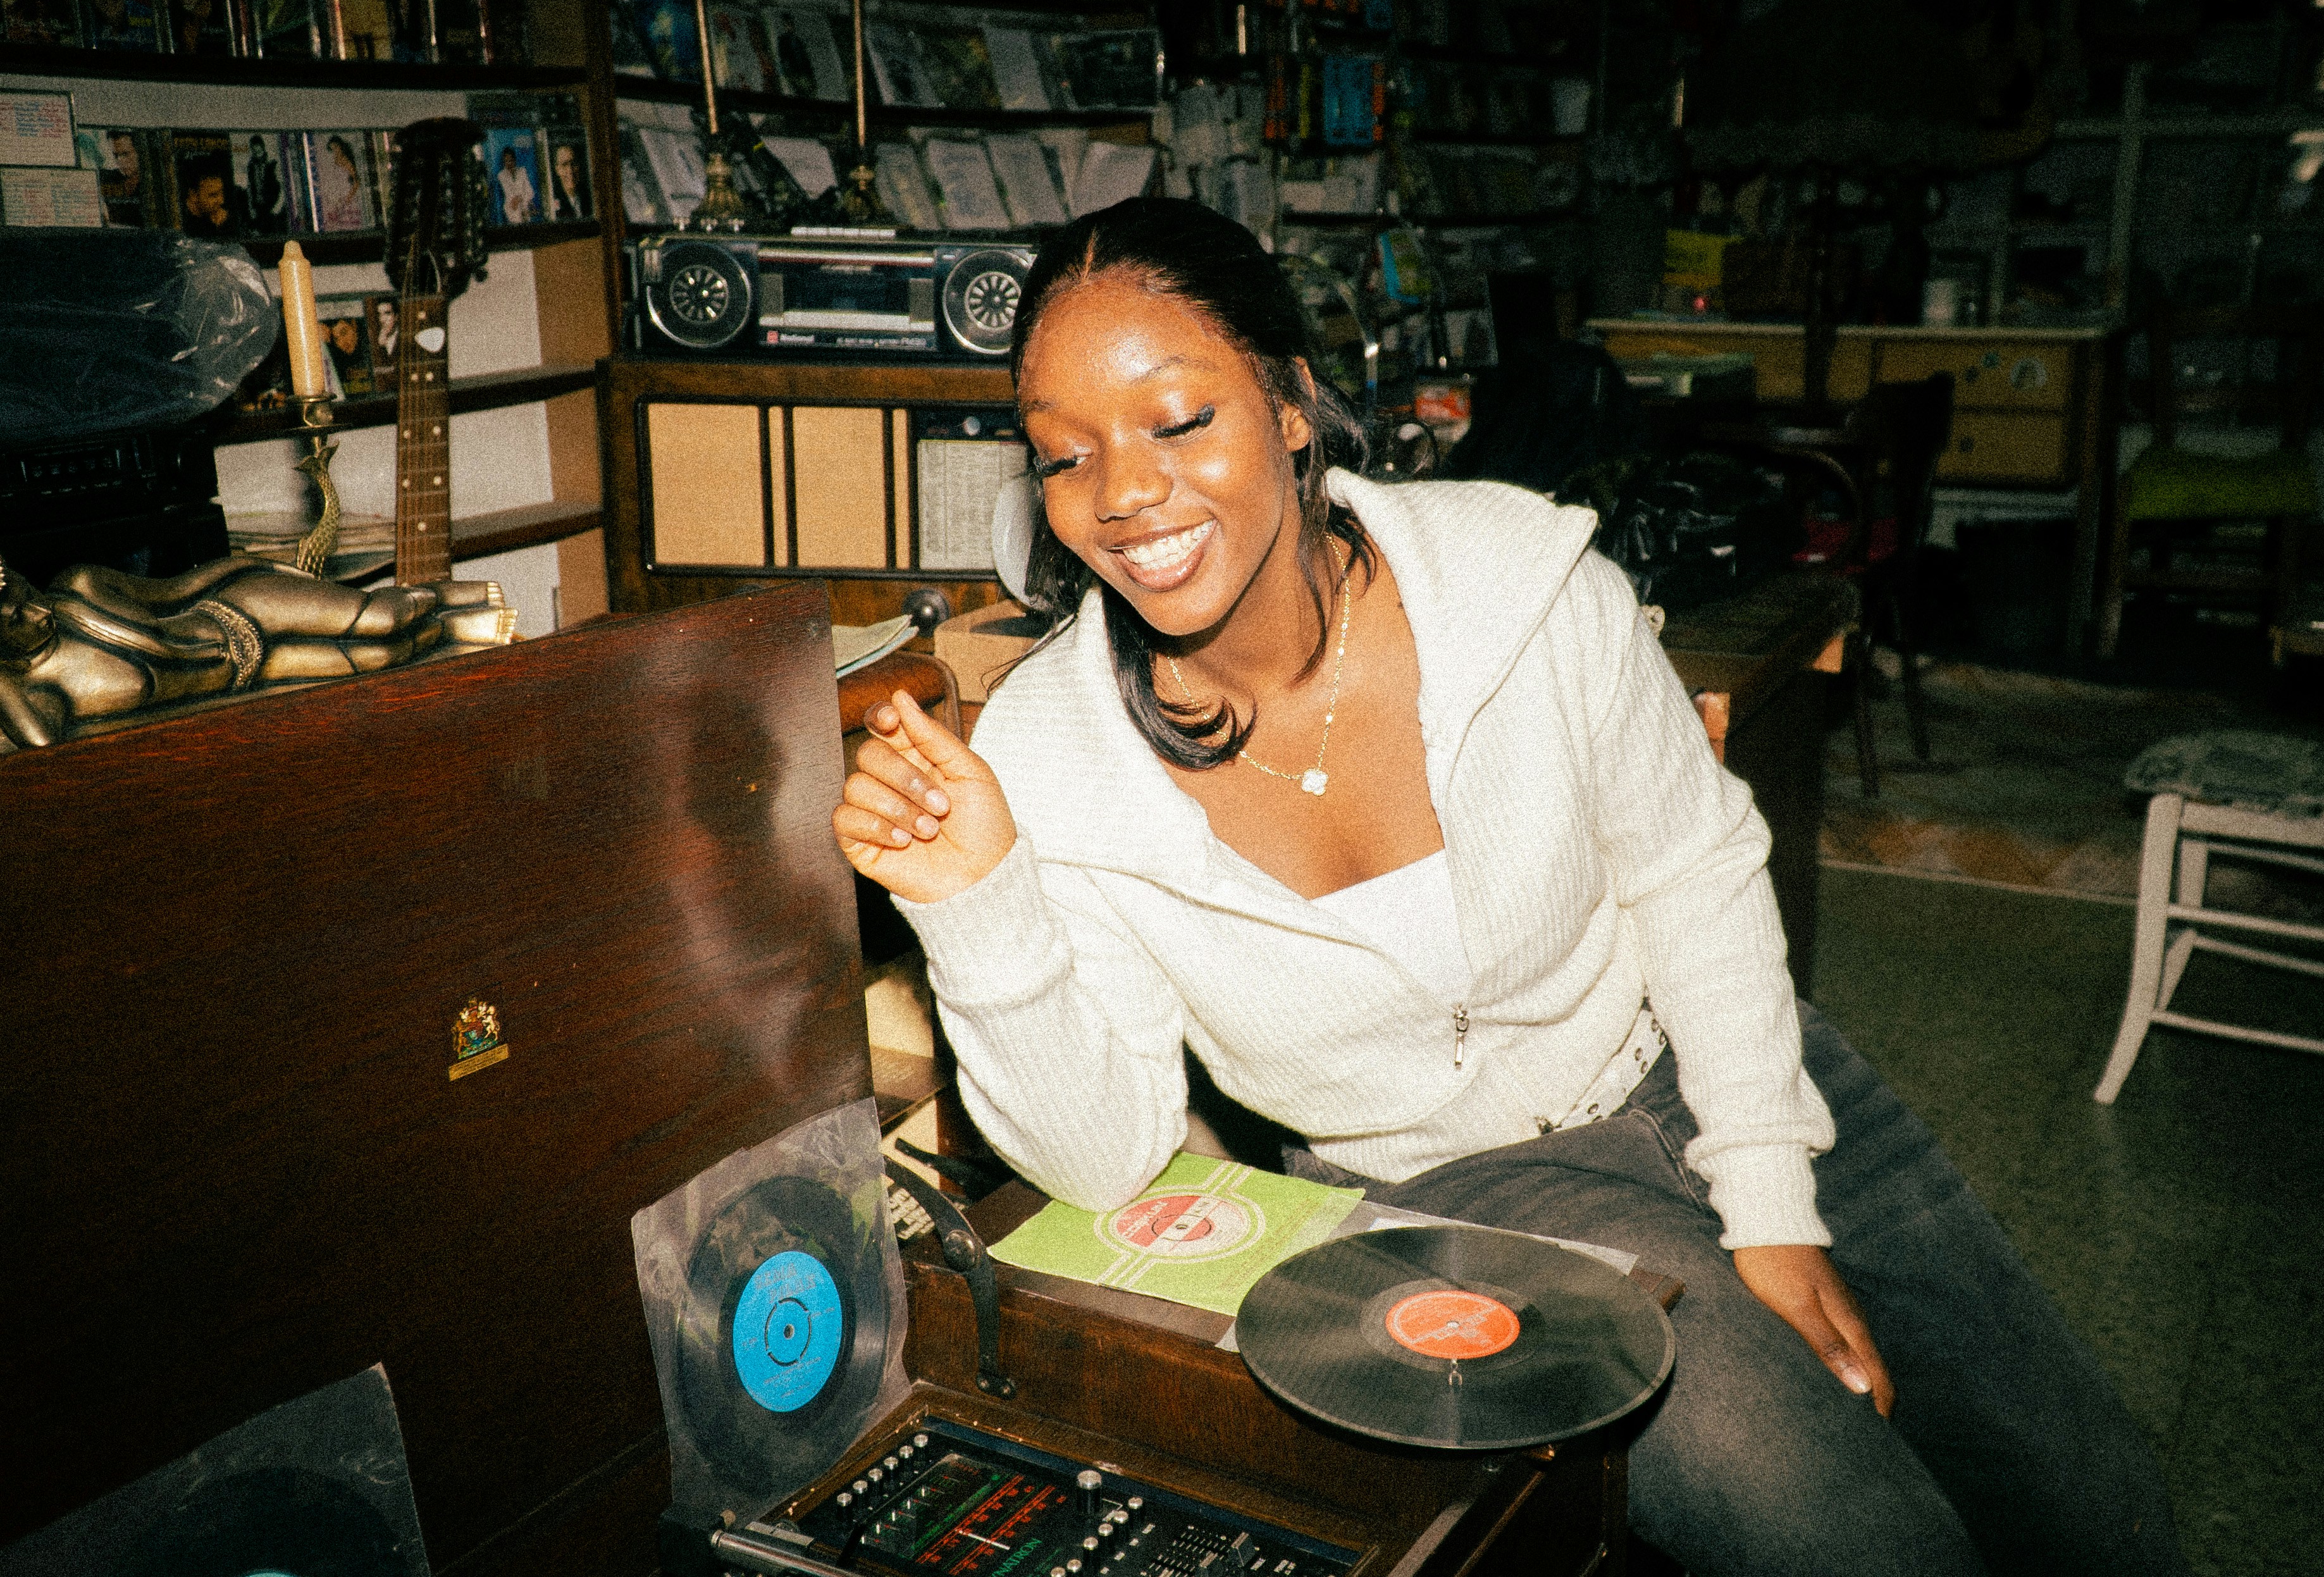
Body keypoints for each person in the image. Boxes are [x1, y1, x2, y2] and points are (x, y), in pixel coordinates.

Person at [834, 199, 2188, 1577]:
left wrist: (1770, 1201)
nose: (1123, 493)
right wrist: (977, 902)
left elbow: (1695, 870)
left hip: (1708, 1057)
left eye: (1181, 421)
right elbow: (1103, 1158)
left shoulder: (1518, 581)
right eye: (1068, 456)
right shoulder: (1059, 756)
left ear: (1293, 404)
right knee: (1858, 1542)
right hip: (1463, 1197)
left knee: (2099, 1505)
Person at [0, 553, 514, 753]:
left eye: (28, 595)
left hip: (246, 612)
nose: (38, 614)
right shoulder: (44, 693)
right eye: (17, 620)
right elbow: (45, 753)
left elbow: (179, 586)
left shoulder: (81, 584)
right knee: (384, 659)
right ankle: (455, 631)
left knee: (383, 619)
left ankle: (447, 595)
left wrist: (247, 564)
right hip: (257, 673)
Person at [318, 133, 364, 230]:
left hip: (347, 195)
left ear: (340, 146)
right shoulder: (336, 160)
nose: (335, 151)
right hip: (338, 193)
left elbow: (356, 181)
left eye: (336, 147)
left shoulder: (346, 161)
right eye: (333, 149)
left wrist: (349, 197)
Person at [496, 143, 536, 225]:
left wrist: (520, 199)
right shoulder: (501, 176)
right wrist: (521, 197)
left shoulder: (522, 171)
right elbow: (510, 195)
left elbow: (530, 192)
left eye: (510, 160)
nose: (509, 163)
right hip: (511, 210)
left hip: (525, 209)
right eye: (506, 161)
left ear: (514, 160)